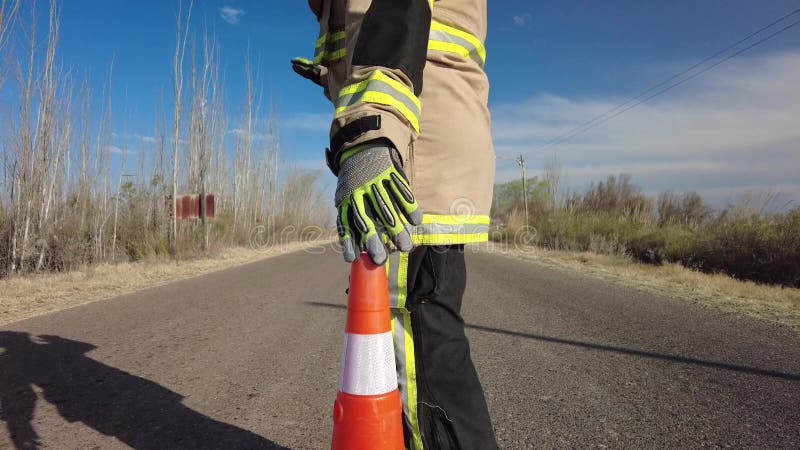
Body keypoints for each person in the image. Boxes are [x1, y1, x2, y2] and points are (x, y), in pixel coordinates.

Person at [292, 1, 498, 448]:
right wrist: (335, 73)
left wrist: (371, 132)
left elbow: (397, 16)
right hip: (428, 145)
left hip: (409, 155)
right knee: (426, 346)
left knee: (421, 360)